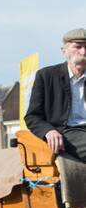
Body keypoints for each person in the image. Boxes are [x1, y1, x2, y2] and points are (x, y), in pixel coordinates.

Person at [25, 29, 86, 162]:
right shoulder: (46, 76)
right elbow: (32, 116)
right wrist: (48, 131)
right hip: (65, 132)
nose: (83, 52)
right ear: (64, 51)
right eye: (78, 46)